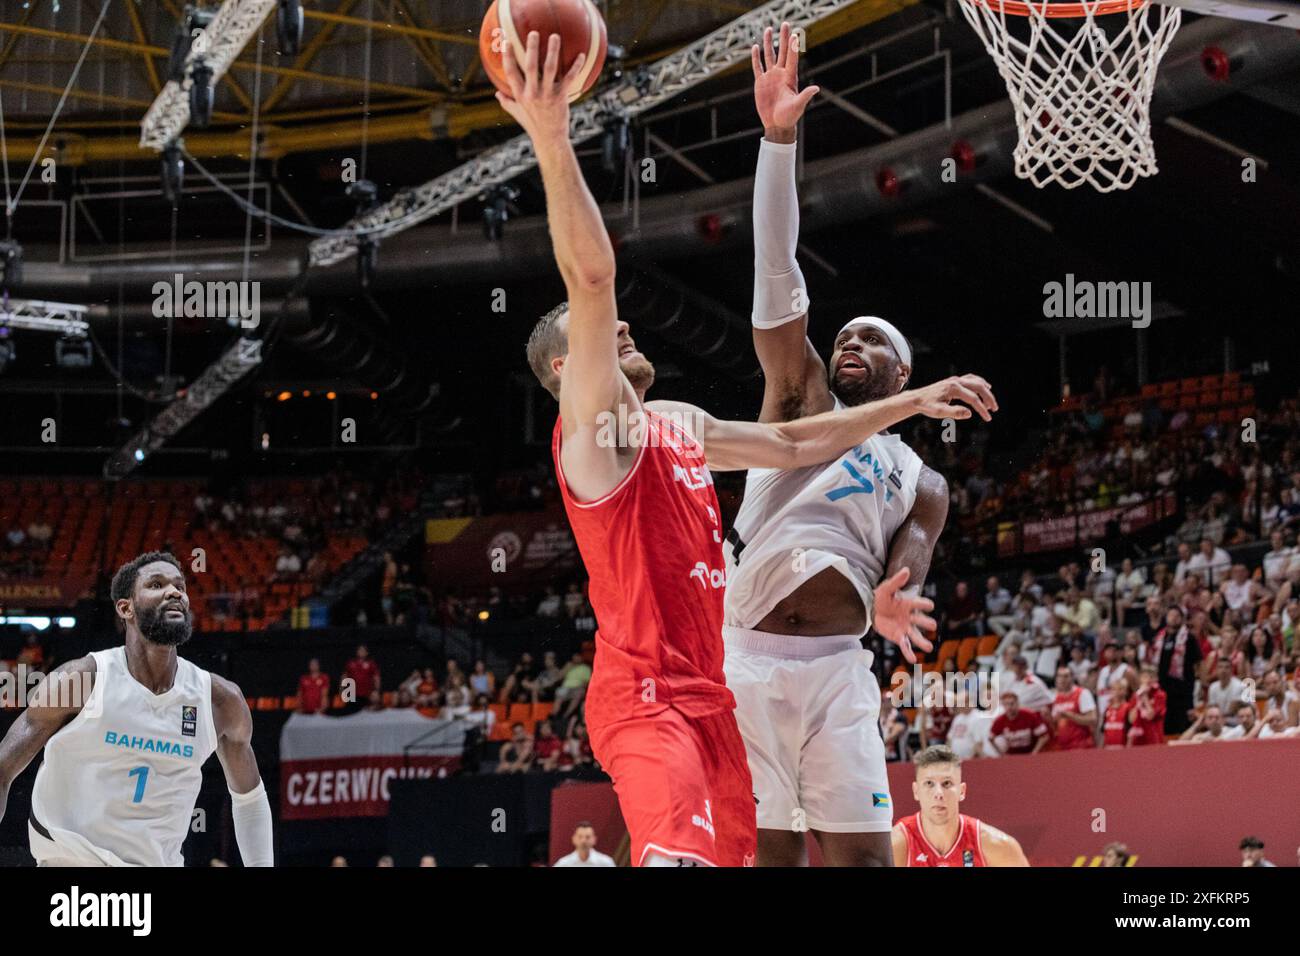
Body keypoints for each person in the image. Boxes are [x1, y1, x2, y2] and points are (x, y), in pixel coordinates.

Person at [504, 30, 965, 869]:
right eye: (602, 338)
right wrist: (549, 133)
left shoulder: (676, 420)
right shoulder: (597, 435)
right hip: (650, 698)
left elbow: (791, 442)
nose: (625, 329)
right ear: (572, 372)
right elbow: (595, 280)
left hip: (715, 690)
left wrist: (914, 403)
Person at [721, 22, 996, 867]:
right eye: (843, 334)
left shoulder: (922, 479)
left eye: (870, 340)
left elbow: (906, 561)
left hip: (840, 666)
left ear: (903, 369)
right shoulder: (798, 393)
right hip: (748, 657)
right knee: (769, 855)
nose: (849, 343)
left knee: (867, 859)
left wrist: (891, 598)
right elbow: (778, 271)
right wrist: (777, 143)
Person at [0, 551, 273, 866]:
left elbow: (249, 799)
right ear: (125, 608)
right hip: (73, 864)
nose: (174, 592)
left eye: (180, 586)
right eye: (156, 584)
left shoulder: (219, 701)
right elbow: (4, 769)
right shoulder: (81, 680)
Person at [891, 745, 1029, 867]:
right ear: (916, 791)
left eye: (947, 783)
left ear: (962, 791)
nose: (938, 793)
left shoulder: (997, 846)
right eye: (929, 783)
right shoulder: (895, 846)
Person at [1049, 665, 1097, 750]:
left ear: (1072, 678)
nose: (1062, 679)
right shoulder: (1054, 697)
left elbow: (1092, 719)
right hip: (1062, 747)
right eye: (1059, 676)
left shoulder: (1082, 693)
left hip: (1081, 745)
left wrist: (1070, 716)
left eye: (1066, 676)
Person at [990, 690, 1049, 756]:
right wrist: (1002, 754)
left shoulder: (1029, 715)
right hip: (1012, 756)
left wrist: (1034, 752)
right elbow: (991, 738)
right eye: (1006, 704)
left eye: (1012, 704)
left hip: (1029, 753)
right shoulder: (1000, 720)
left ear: (1017, 703)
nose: (1009, 707)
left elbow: (1044, 736)